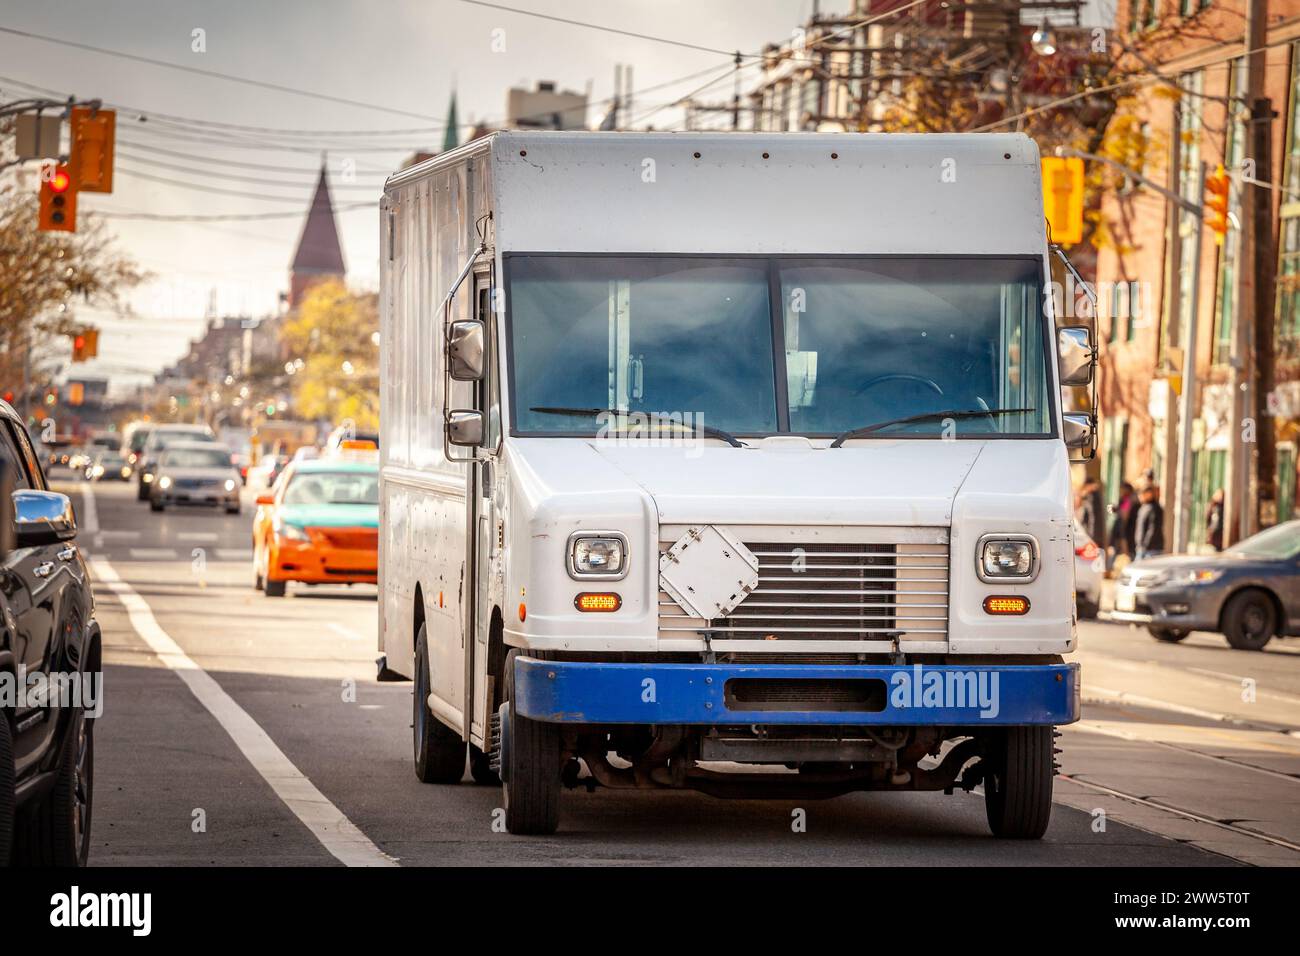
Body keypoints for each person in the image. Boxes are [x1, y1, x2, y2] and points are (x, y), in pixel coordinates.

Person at [1108, 481, 1137, 564]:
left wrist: (1117, 510)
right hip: (1119, 533)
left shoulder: (1131, 500)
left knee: (1129, 556)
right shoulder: (1123, 500)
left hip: (1127, 534)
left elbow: (1125, 515)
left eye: (1122, 489)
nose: (1121, 491)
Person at [1134, 484, 1165, 560]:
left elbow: (1153, 529)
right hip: (1141, 548)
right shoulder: (1143, 508)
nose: (1140, 497)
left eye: (1142, 494)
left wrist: (1145, 545)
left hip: (1152, 549)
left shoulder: (1155, 509)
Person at [1077, 478, 1106, 550]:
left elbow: (1092, 518)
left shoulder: (1092, 496)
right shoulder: (1097, 496)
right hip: (1096, 535)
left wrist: (1090, 537)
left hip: (1091, 535)